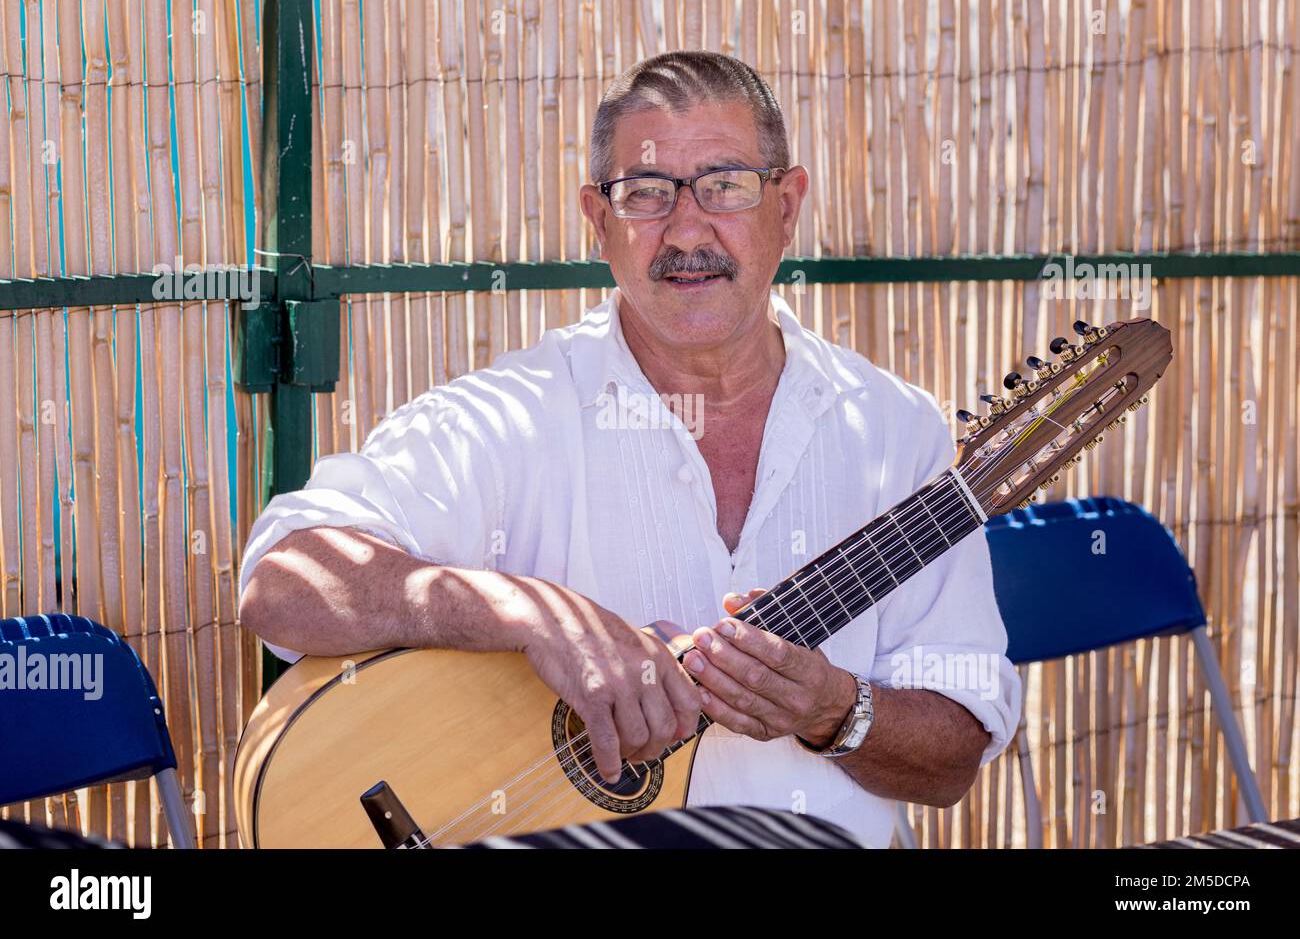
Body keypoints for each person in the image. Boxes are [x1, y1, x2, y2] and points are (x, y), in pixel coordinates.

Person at [238, 50, 1021, 848]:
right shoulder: (515, 415)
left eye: (725, 185)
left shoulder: (898, 432)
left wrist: (834, 710)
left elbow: (953, 757)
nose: (686, 230)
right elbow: (284, 579)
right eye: (645, 193)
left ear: (787, 207)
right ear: (598, 220)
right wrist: (533, 617)